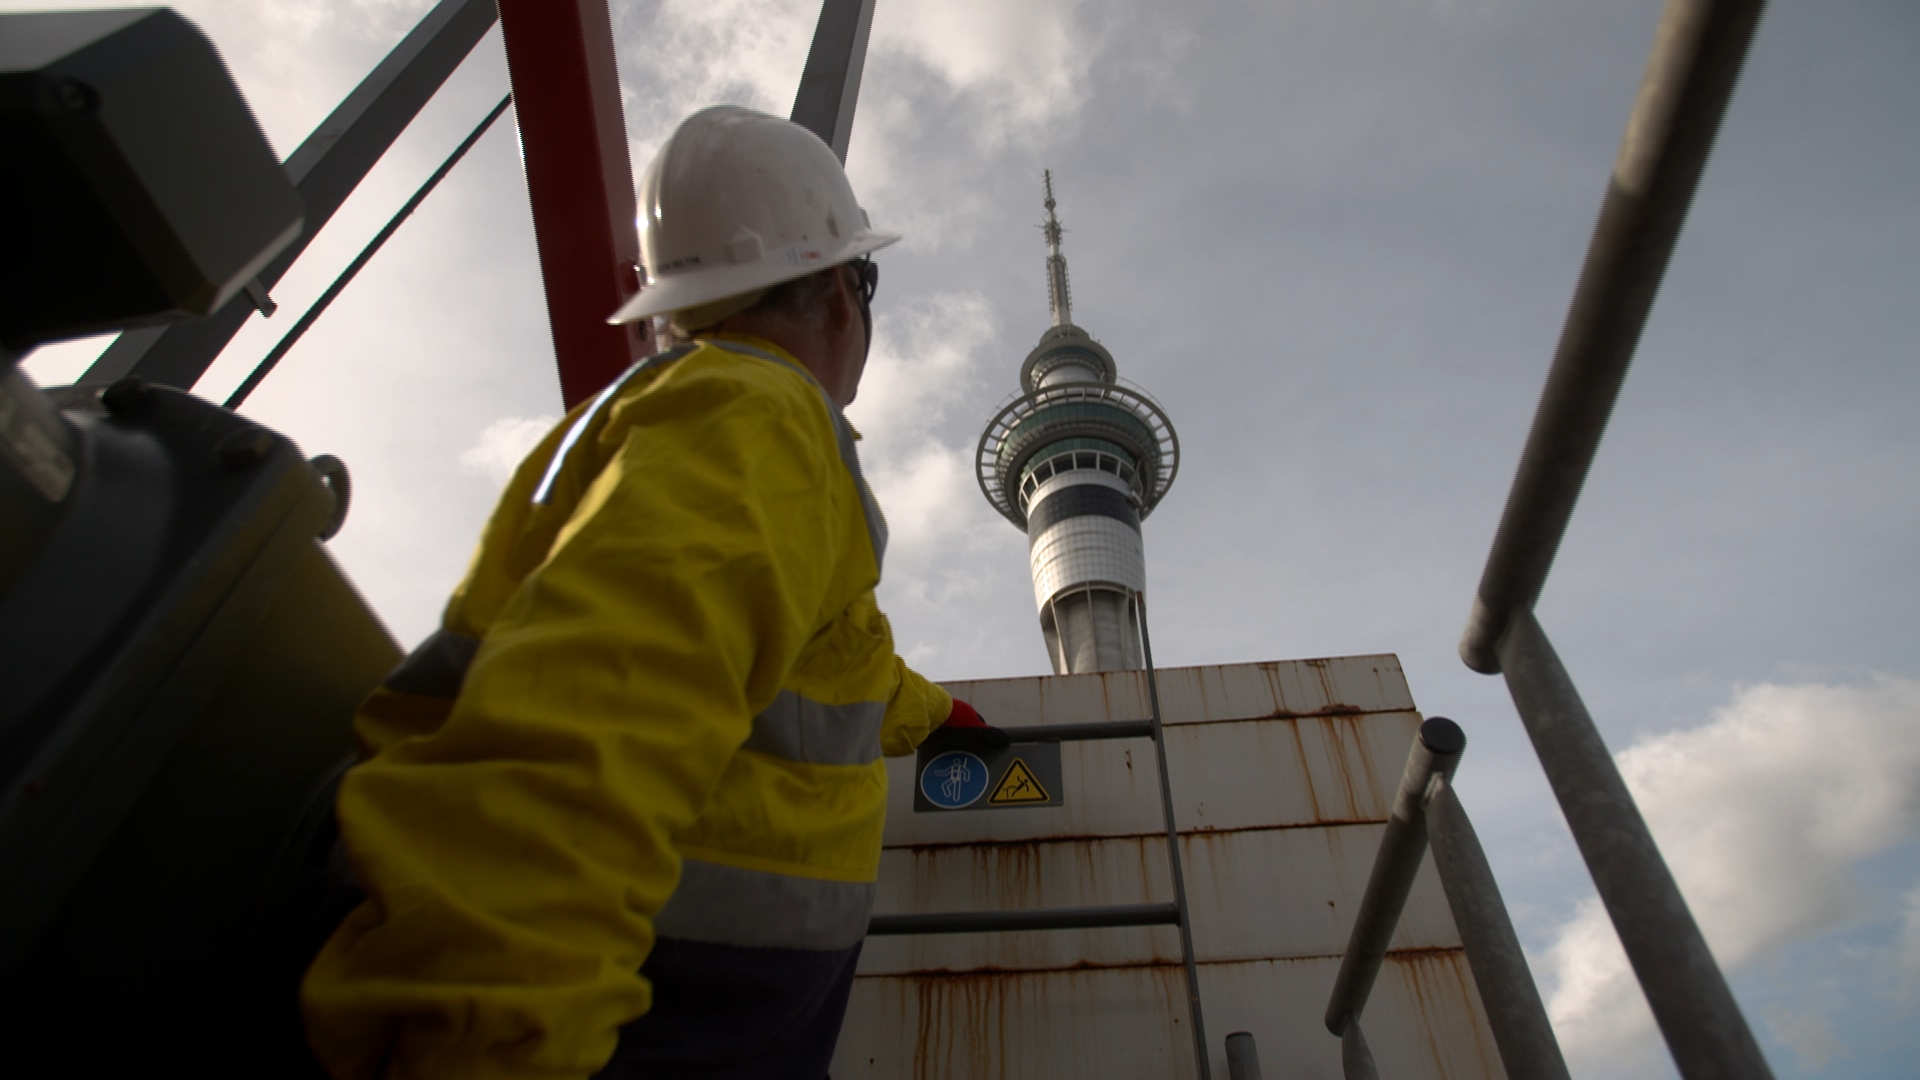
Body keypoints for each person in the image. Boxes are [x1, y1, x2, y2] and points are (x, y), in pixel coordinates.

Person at [300, 105, 1003, 1080]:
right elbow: (586, 730)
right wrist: (487, 1047)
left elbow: (835, 664)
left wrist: (938, 716)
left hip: (676, 994)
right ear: (845, 292)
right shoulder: (754, 419)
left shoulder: (676, 428)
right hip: (628, 1007)